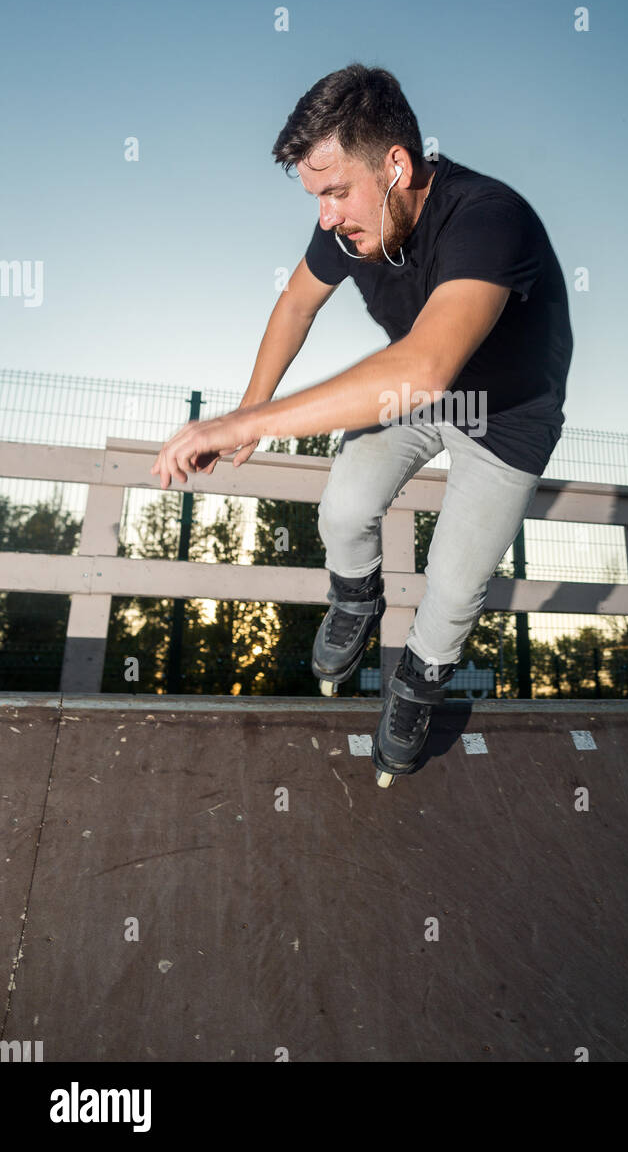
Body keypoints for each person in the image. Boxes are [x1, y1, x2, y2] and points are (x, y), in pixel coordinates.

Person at [151, 64, 573, 786]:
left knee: (453, 585)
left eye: (337, 192)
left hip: (506, 416)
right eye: (315, 197)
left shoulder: (488, 217)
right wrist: (250, 414)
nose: (326, 219)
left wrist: (242, 425)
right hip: (421, 398)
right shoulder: (349, 230)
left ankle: (415, 686)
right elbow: (294, 306)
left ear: (397, 165)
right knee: (344, 504)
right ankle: (357, 600)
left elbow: (428, 366)